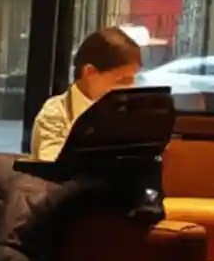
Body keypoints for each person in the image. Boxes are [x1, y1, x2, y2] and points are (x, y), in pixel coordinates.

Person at [31, 27, 143, 161]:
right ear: (90, 72)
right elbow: (55, 171)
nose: (130, 87)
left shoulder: (129, 110)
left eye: (133, 79)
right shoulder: (55, 114)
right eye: (122, 80)